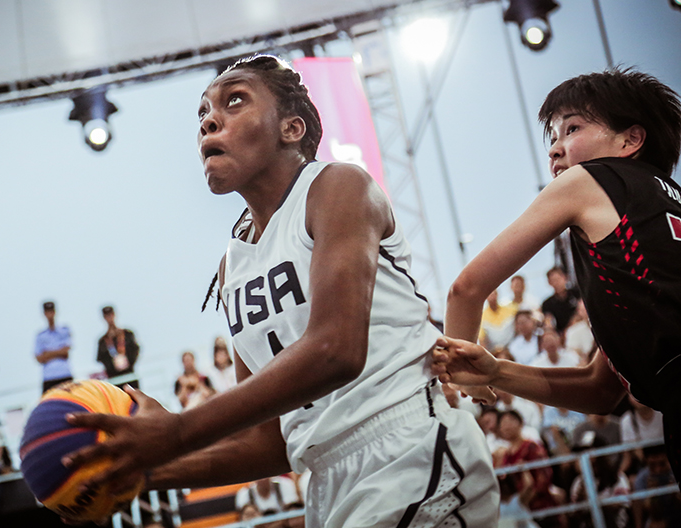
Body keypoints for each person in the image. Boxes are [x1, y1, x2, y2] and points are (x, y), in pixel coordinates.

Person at [64, 55, 499, 527]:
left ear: (290, 128)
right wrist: (139, 473)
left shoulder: (337, 187)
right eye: (203, 113)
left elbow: (336, 351)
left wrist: (179, 430)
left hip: (409, 445)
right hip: (325, 481)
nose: (210, 119)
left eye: (234, 102)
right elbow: (270, 444)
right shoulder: (233, 265)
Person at [432, 68, 681, 482]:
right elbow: (599, 388)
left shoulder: (590, 180)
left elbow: (466, 288)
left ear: (630, 140)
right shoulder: (654, 209)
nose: (555, 149)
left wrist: (458, 385)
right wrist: (494, 372)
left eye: (572, 128)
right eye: (552, 137)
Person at [96, 305, 140, 389]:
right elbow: (101, 358)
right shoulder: (103, 341)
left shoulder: (127, 334)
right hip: (115, 378)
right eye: (107, 316)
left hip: (130, 374)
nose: (110, 318)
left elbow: (135, 350)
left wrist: (128, 362)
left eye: (111, 315)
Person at [34, 301, 73, 393]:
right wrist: (58, 352)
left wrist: (48, 353)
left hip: (64, 373)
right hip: (49, 376)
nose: (50, 314)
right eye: (48, 312)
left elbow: (66, 352)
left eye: (51, 311)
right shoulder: (40, 336)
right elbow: (39, 358)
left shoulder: (64, 330)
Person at [540, 267, 580, 335]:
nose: (556, 283)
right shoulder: (547, 304)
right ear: (549, 283)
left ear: (565, 278)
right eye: (553, 281)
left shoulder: (577, 293)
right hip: (559, 335)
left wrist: (568, 330)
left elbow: (580, 313)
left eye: (558, 279)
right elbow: (548, 320)